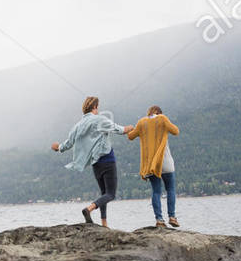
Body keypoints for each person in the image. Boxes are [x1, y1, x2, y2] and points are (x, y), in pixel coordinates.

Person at [51, 96, 133, 227]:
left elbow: (68, 143)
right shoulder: (100, 120)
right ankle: (89, 209)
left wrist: (58, 148)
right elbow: (120, 130)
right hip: (107, 160)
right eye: (97, 107)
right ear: (94, 107)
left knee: (103, 193)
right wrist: (131, 128)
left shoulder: (78, 125)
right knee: (110, 194)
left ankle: (104, 223)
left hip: (96, 164)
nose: (98, 109)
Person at [126, 105, 180, 227]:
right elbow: (176, 131)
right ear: (159, 112)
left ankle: (159, 220)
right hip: (165, 162)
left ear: (148, 113)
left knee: (156, 191)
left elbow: (130, 136)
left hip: (151, 165)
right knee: (170, 189)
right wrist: (165, 122)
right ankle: (172, 217)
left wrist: (131, 129)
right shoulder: (162, 118)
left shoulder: (142, 122)